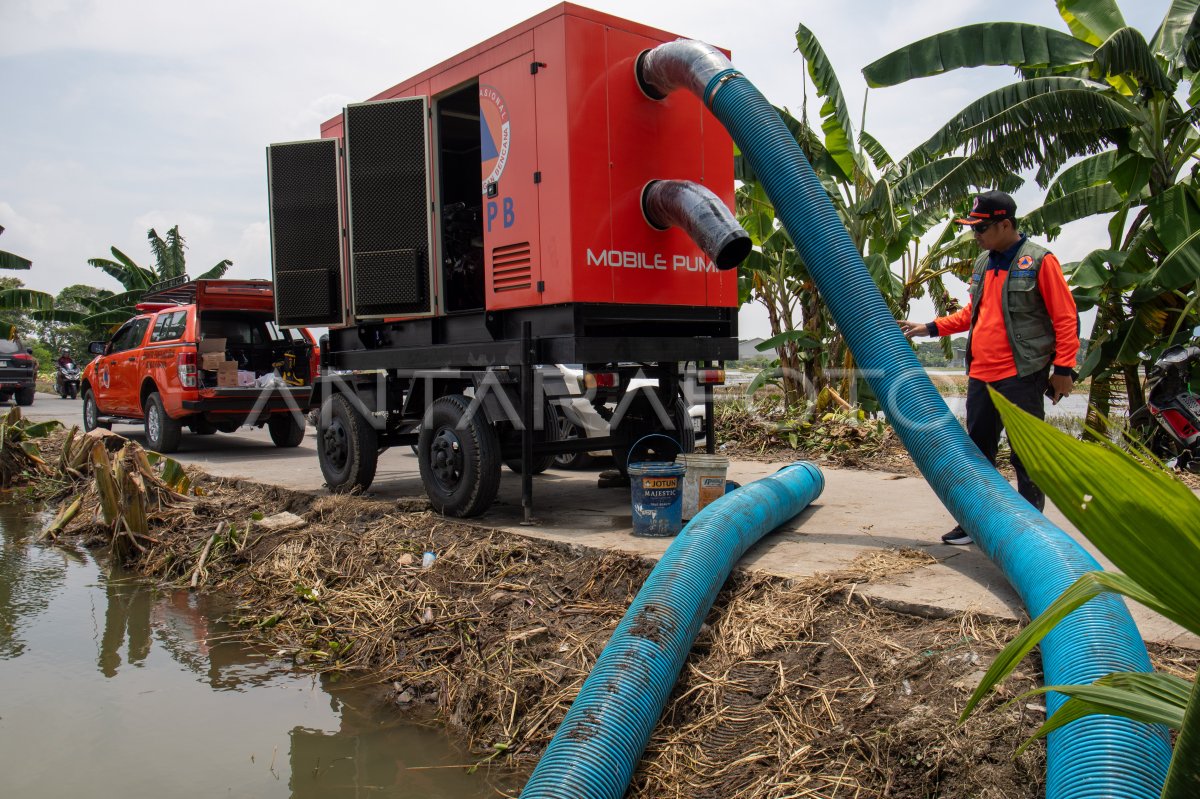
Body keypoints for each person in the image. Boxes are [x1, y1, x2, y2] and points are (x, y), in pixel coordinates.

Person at [899, 190, 1079, 546]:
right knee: (978, 453)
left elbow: (1065, 317)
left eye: (981, 228)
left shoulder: (1039, 262)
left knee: (1026, 456)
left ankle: (1027, 534)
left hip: (1021, 375)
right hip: (982, 375)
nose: (975, 235)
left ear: (1006, 224)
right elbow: (972, 314)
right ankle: (974, 523)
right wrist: (929, 327)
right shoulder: (983, 263)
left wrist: (1064, 369)